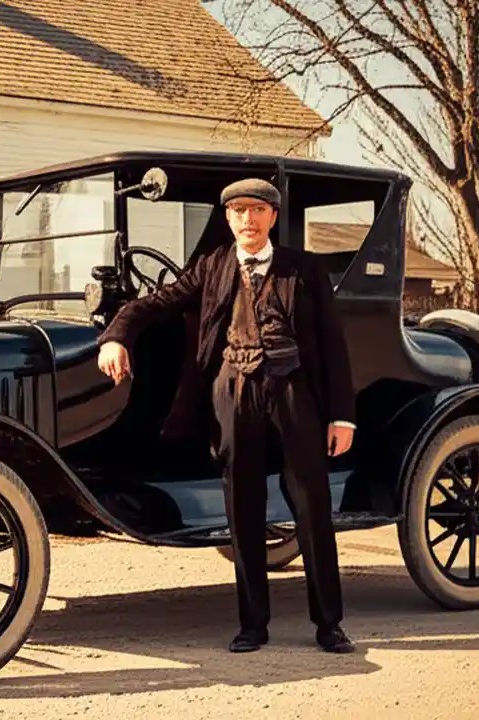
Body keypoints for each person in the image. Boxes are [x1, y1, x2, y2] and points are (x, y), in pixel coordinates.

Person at [96, 177, 357, 654]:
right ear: (228, 219)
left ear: (273, 217)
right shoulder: (212, 266)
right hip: (233, 392)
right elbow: (155, 303)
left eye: (257, 210)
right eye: (238, 211)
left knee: (311, 504)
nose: (248, 220)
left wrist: (342, 416)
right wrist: (117, 336)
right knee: (242, 506)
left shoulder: (306, 270)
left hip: (295, 390)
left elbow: (337, 347)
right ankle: (252, 625)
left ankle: (329, 624)